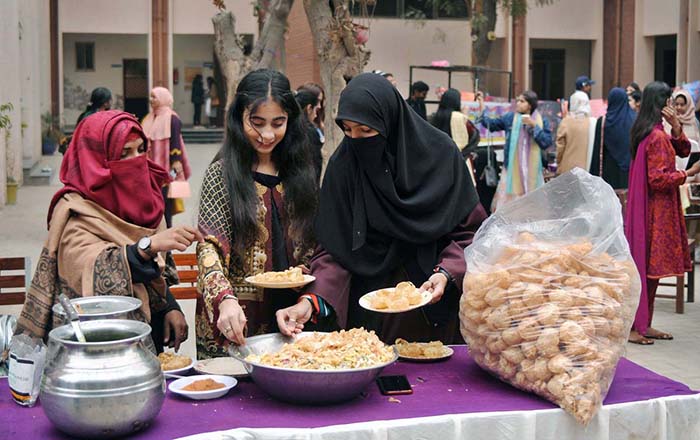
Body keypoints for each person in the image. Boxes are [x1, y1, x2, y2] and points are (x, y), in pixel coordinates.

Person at [275, 73, 487, 345]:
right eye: (348, 130)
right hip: (366, 318)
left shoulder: (441, 157)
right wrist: (310, 301)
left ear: (391, 123)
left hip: (431, 309)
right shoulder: (345, 167)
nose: (356, 139)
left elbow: (471, 233)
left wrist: (447, 272)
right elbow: (335, 247)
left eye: (367, 131)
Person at [13, 110, 203, 353]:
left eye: (141, 149)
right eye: (124, 154)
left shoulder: (147, 199)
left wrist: (169, 307)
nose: (137, 160)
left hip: (147, 347)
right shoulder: (76, 211)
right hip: (91, 348)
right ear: (98, 161)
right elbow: (93, 271)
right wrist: (149, 245)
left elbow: (155, 272)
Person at [196, 69, 319, 357]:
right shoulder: (222, 173)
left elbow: (314, 241)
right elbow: (208, 247)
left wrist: (306, 271)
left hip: (291, 312)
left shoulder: (300, 172)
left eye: (278, 123)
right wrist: (223, 299)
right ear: (239, 118)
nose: (267, 135)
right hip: (237, 314)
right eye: (257, 122)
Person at [625, 81, 700, 345]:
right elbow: (657, 179)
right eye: (668, 100)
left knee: (651, 270)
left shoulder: (654, 131)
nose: (672, 105)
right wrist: (687, 175)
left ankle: (644, 323)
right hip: (655, 212)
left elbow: (682, 149)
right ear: (660, 104)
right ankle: (635, 327)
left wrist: (678, 127)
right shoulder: (655, 136)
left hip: (656, 209)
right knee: (646, 268)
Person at [477, 90, 553, 211]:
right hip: (511, 169)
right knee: (509, 207)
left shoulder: (540, 121)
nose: (517, 103)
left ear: (530, 105)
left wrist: (534, 126)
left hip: (532, 171)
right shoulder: (510, 118)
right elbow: (490, 123)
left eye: (522, 101)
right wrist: (481, 105)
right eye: (517, 100)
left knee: (532, 206)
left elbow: (546, 143)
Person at [142, 87, 192, 228]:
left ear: (163, 98)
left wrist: (176, 163)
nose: (151, 100)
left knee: (165, 204)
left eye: (154, 97)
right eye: (150, 97)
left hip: (167, 171)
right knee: (152, 204)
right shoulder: (149, 118)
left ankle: (167, 239)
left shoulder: (172, 118)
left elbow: (175, 142)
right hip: (150, 170)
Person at [430, 88, 478, 191]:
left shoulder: (435, 117)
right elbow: (473, 135)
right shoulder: (460, 117)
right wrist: (465, 115)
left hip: (440, 161)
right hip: (460, 158)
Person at [589, 87, 635, 189]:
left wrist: (593, 177)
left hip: (608, 171)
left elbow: (597, 151)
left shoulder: (602, 122)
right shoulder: (635, 120)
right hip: (630, 170)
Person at [556, 90, 596, 175]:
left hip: (568, 168)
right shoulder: (593, 122)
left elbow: (560, 147)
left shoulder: (566, 122)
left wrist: (558, 162)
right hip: (587, 169)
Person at [665, 89, 700, 169]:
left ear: (688, 105)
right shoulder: (667, 120)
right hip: (671, 164)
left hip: (691, 167)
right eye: (676, 104)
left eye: (682, 104)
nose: (679, 107)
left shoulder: (694, 122)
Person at [295, 89, 324, 184]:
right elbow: (315, 166)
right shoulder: (310, 132)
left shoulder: (287, 127)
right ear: (309, 108)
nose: (316, 115)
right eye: (316, 109)